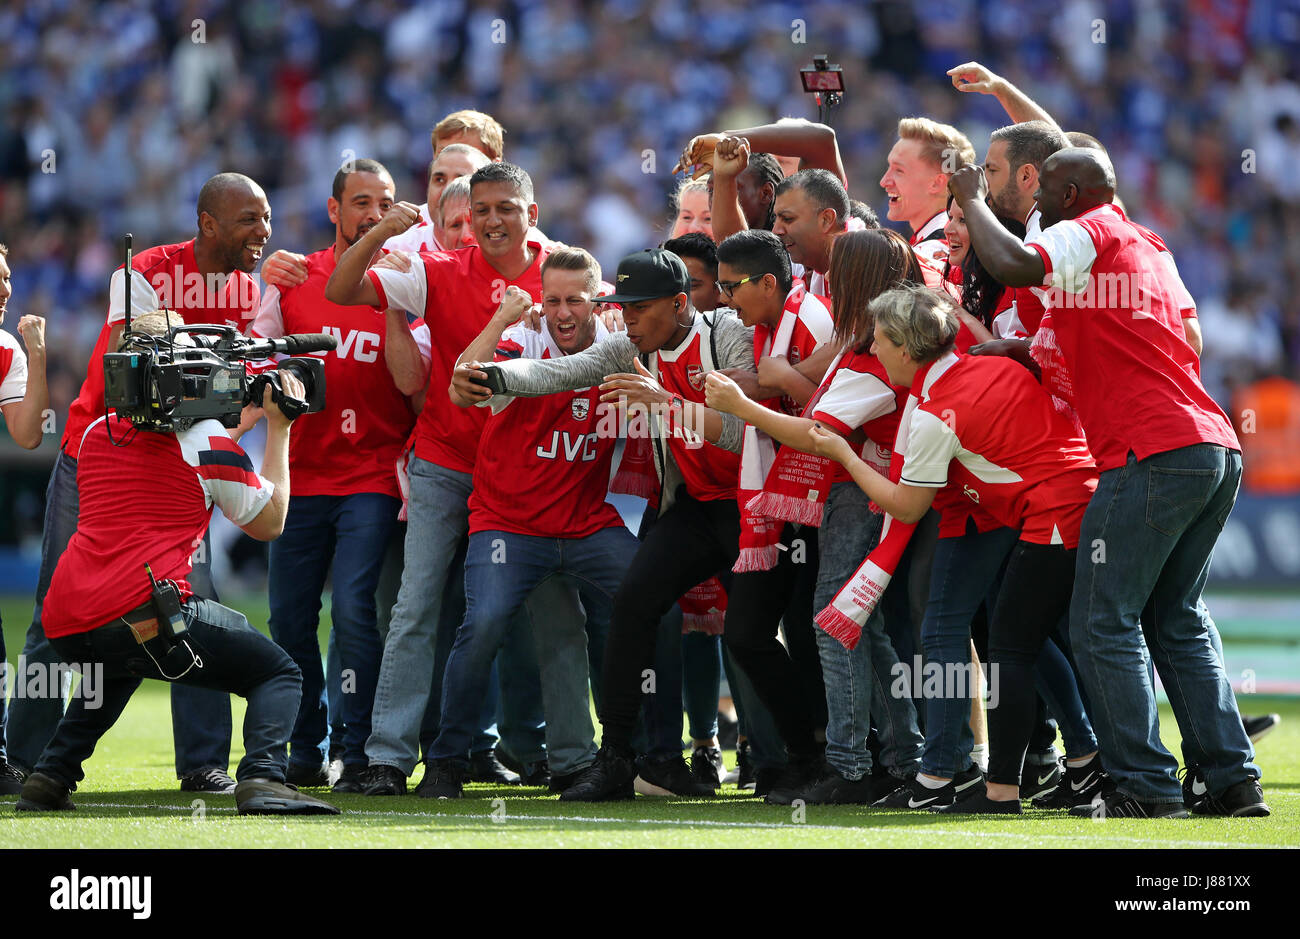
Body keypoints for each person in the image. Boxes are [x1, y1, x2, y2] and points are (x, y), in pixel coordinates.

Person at [950, 149, 1268, 818]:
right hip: (1210, 444)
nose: (1035, 211)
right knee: (1176, 617)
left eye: (1046, 198)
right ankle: (1231, 779)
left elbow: (1013, 263)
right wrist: (1018, 349)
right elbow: (1181, 333)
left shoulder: (1087, 228)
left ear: (1068, 192)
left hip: (1146, 450)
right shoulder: (1148, 243)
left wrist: (970, 197)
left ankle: (1143, 785)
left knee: (1102, 620)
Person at [7, 173, 270, 794]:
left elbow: (247, 386)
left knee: (189, 607)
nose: (262, 232)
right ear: (208, 224)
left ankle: (202, 765)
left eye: (265, 218)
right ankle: (24, 762)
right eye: (249, 220)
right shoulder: (146, 268)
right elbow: (135, 350)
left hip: (182, 461)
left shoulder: (251, 291)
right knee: (53, 610)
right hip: (101, 455)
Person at [14, 310, 336, 817]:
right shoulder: (207, 442)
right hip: (145, 609)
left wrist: (233, 422)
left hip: (71, 618)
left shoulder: (98, 431)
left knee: (118, 662)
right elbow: (269, 522)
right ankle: (263, 779)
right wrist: (279, 428)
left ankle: (51, 775)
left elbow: (180, 459)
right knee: (279, 673)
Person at [473, 247, 757, 801]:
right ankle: (631, 760)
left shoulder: (725, 337)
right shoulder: (632, 347)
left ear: (679, 304)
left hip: (752, 504)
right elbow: (560, 371)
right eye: (620, 307)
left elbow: (746, 437)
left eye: (637, 308)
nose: (624, 320)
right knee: (638, 604)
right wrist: (495, 374)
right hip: (694, 506)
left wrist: (666, 403)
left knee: (753, 634)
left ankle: (789, 760)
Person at [324, 161, 551, 795]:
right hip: (446, 461)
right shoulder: (438, 271)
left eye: (506, 207)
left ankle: (560, 752)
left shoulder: (559, 271)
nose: (492, 220)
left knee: (528, 613)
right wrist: (376, 235)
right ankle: (388, 760)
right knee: (415, 608)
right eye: (482, 211)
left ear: (532, 214)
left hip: (525, 471)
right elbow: (341, 291)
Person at [705, 229, 927, 804]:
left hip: (862, 492)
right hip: (872, 487)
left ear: (852, 282)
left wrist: (742, 405)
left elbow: (816, 433)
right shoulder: (873, 340)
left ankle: (852, 767)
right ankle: (904, 758)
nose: (820, 276)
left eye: (836, 270)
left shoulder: (868, 353)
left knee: (836, 620)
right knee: (859, 622)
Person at [422, 247, 639, 797]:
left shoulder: (624, 346)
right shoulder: (524, 343)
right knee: (484, 625)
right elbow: (460, 387)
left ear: (599, 301)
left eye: (575, 300)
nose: (563, 312)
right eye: (553, 300)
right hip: (508, 526)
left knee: (650, 598)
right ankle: (446, 761)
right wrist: (499, 320)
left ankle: (644, 758)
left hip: (587, 523)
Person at [250, 158, 430, 794]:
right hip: (298, 474)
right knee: (289, 618)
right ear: (334, 210)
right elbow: (253, 354)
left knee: (355, 608)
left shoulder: (409, 284)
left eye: (384, 202)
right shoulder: (294, 277)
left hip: (373, 472)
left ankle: (358, 750)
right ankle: (304, 744)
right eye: (360, 202)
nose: (373, 213)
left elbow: (418, 383)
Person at [0, 243, 48, 794]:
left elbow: (28, 434)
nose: (5, 289)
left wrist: (36, 357)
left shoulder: (6, 349)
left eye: (8, 277)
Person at [878, 117, 976, 274]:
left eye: (899, 171)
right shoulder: (931, 238)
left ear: (936, 183)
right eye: (889, 167)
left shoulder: (936, 249)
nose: (884, 181)